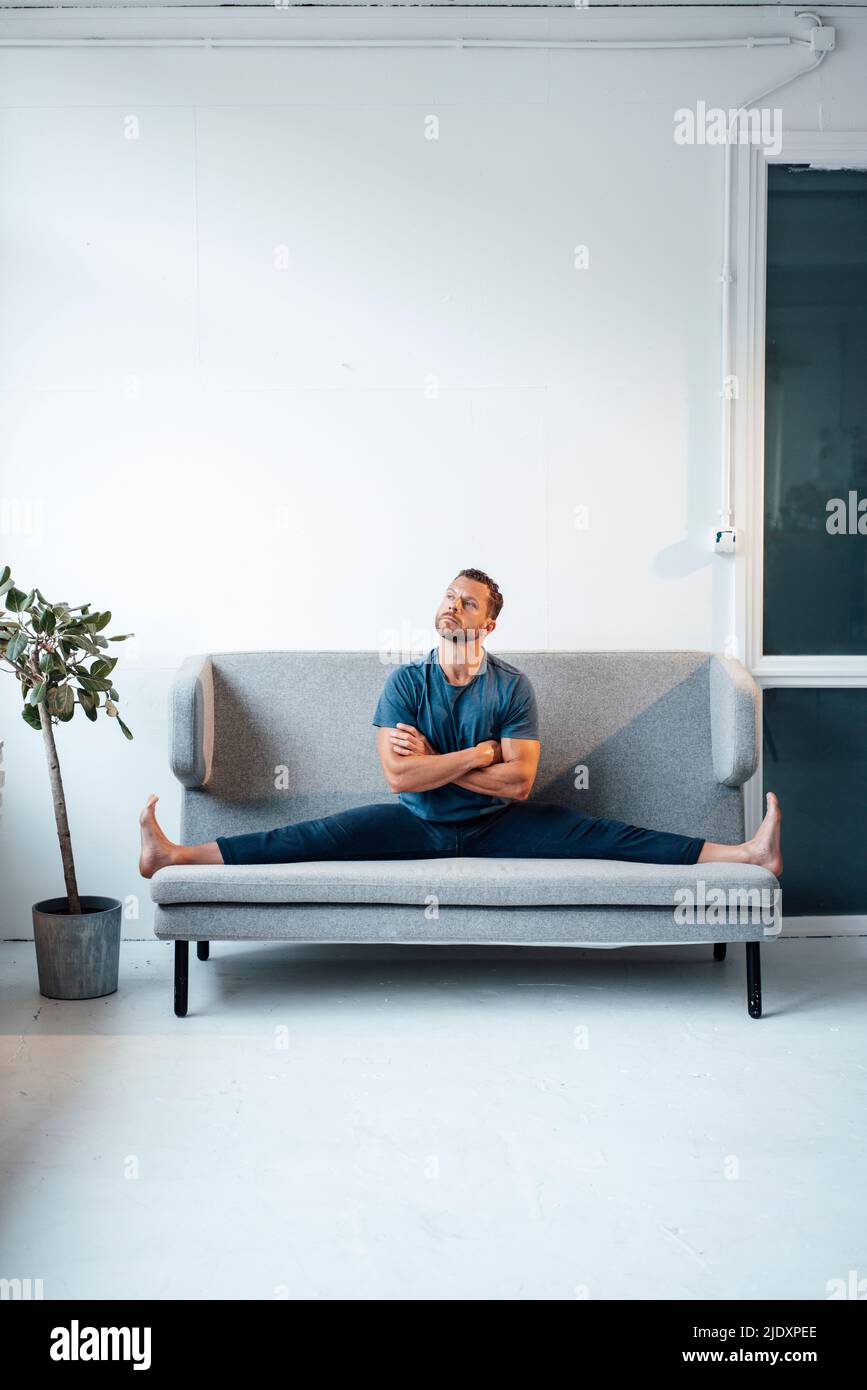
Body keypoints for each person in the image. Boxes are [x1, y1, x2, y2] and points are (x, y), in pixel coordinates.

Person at [139, 568, 782, 877]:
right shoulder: (405, 682)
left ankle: (745, 852)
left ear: (488, 623)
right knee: (307, 837)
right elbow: (397, 779)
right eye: (448, 596)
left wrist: (437, 768)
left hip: (501, 828)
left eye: (466, 602)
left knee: (606, 834)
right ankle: (173, 855)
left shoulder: (511, 687)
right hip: (414, 824)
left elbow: (519, 787)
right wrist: (479, 756)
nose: (452, 607)